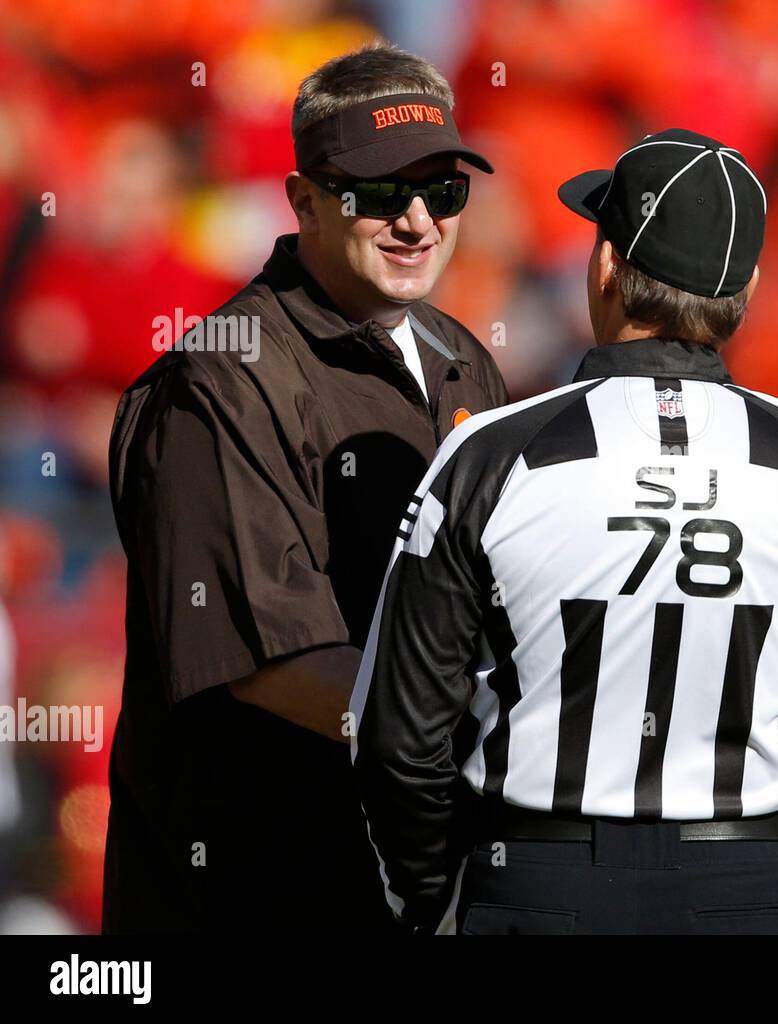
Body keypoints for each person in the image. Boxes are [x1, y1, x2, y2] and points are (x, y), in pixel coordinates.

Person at [351, 128, 778, 934]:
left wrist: (432, 898)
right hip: (747, 882)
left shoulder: (494, 452)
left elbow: (396, 740)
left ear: (606, 264)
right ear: (745, 290)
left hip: (538, 881)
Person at [103, 42, 508, 932]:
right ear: (303, 200)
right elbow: (275, 666)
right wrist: (500, 741)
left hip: (411, 885)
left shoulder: (462, 359)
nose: (416, 221)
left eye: (443, 191)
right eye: (376, 192)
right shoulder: (218, 380)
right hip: (256, 892)